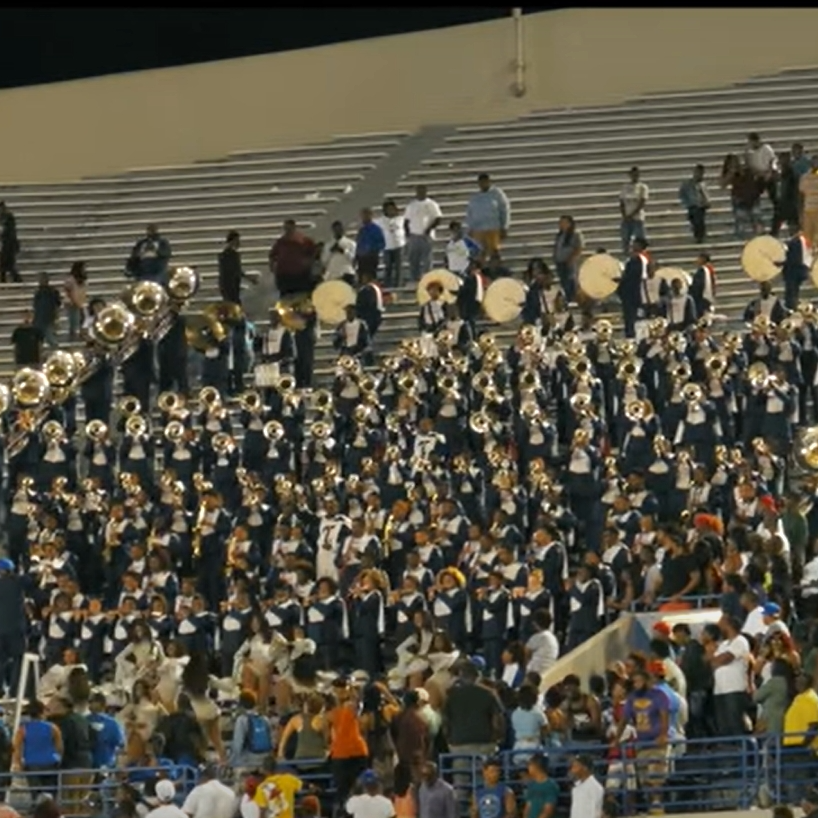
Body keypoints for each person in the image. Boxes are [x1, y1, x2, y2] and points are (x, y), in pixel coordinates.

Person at [11, 700, 62, 794]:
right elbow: (59, 747)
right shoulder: (53, 727)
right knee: (51, 792)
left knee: (36, 794)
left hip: (32, 764)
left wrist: (18, 763)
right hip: (50, 762)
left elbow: (16, 748)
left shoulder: (23, 730)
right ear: (42, 712)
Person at [465, 173, 510, 262]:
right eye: (480, 182)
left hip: (493, 228)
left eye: (485, 182)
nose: (482, 184)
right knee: (480, 253)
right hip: (478, 230)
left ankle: (496, 271)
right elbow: (470, 213)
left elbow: (504, 210)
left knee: (494, 252)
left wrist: (505, 226)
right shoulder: (475, 197)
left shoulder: (497, 194)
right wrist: (470, 228)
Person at [403, 185, 442, 281]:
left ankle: (427, 278)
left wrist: (429, 229)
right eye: (418, 191)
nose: (420, 193)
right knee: (413, 259)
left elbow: (438, 218)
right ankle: (414, 278)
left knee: (427, 259)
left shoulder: (431, 204)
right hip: (414, 235)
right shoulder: (411, 205)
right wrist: (407, 233)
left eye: (422, 191)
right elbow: (406, 220)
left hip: (426, 235)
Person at [269, 219, 317, 297]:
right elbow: (272, 255)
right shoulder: (281, 242)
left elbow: (313, 252)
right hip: (284, 276)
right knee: (285, 297)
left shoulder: (304, 240)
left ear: (294, 228)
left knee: (302, 296)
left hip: (300, 275)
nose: (287, 231)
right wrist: (272, 267)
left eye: (289, 228)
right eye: (286, 229)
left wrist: (309, 264)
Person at [87, 692, 125, 770]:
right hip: (94, 766)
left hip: (104, 765)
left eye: (93, 701)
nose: (90, 704)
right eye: (90, 702)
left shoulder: (111, 723)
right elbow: (121, 744)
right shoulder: (84, 720)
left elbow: (120, 744)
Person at [552, 215, 584, 303]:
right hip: (560, 262)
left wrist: (572, 259)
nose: (561, 225)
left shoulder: (575, 234)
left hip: (570, 262)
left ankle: (573, 299)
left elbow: (579, 248)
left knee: (570, 281)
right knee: (563, 281)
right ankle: (567, 298)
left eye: (564, 222)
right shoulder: (560, 235)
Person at [619, 166, 649, 255]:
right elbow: (621, 202)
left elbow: (642, 202)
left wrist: (632, 214)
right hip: (626, 218)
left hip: (638, 218)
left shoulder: (642, 187)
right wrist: (624, 215)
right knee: (625, 239)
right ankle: (627, 256)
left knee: (640, 239)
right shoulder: (625, 187)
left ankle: (642, 257)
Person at [679, 164, 711, 244]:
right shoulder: (687, 184)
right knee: (694, 221)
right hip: (692, 205)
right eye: (698, 172)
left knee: (700, 221)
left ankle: (700, 236)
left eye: (701, 173)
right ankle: (698, 235)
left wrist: (707, 201)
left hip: (701, 206)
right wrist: (686, 203)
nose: (699, 175)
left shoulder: (703, 184)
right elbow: (682, 194)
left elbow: (705, 194)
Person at [218, 230, 252, 305]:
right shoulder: (231, 255)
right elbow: (236, 270)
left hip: (228, 285)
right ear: (233, 241)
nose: (239, 243)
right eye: (237, 241)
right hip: (230, 286)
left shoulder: (224, 255)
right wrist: (249, 278)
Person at [378, 199, 407, 287]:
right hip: (387, 247)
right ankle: (388, 285)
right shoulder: (380, 221)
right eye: (388, 209)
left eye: (392, 209)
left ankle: (398, 284)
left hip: (399, 245)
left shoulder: (401, 219)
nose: (391, 211)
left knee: (399, 267)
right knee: (388, 267)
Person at [355, 208, 386, 285]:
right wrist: (357, 255)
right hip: (361, 258)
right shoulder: (362, 230)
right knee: (361, 276)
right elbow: (358, 243)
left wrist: (372, 250)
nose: (364, 218)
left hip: (371, 257)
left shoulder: (376, 229)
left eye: (366, 215)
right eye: (363, 216)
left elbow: (381, 243)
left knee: (371, 276)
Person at [523, 754, 559, 818]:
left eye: (530, 765)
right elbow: (528, 807)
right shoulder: (531, 785)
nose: (528, 768)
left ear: (536, 766)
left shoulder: (550, 786)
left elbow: (548, 810)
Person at [32, 272, 61, 349]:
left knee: (50, 338)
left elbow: (57, 305)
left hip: (48, 318)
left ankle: (56, 353)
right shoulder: (38, 293)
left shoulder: (52, 292)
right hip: (38, 319)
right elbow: (35, 307)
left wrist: (56, 318)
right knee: (38, 341)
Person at [63, 261, 87, 342]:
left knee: (81, 320)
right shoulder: (70, 279)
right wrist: (75, 301)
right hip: (72, 303)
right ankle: (72, 338)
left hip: (79, 302)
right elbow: (69, 292)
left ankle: (80, 336)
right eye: (83, 268)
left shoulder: (82, 279)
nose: (84, 270)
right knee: (74, 321)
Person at [0, 201, 21, 283]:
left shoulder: (8, 218)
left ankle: (14, 279)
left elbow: (11, 233)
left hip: (8, 245)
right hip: (4, 245)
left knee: (8, 265)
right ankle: (3, 280)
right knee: (5, 265)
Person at [799, 155, 818, 246]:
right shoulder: (805, 177)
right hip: (808, 210)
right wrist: (800, 212)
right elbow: (801, 195)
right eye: (814, 162)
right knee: (808, 238)